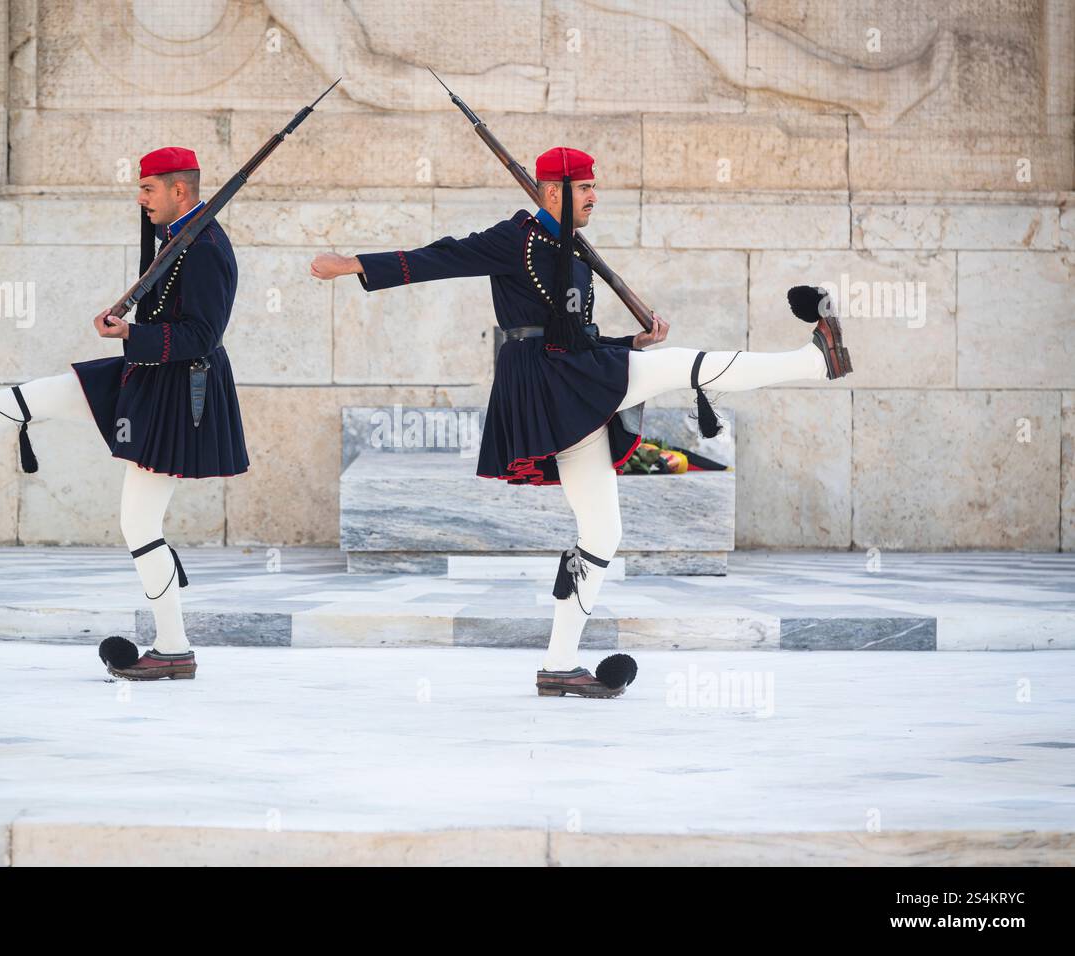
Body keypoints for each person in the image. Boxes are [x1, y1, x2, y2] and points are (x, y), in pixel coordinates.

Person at [310, 146, 851, 698]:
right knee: (676, 366)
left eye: (595, 186)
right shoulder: (516, 237)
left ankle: (559, 666)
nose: (595, 196)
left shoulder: (571, 248)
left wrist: (627, 342)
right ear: (551, 192)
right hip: (547, 381)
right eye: (584, 187)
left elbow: (575, 332)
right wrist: (355, 265)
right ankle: (812, 359)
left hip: (571, 376)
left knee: (602, 531)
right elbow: (442, 256)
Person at [0, 146, 250, 681]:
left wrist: (130, 333)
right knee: (42, 394)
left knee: (140, 523)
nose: (141, 197)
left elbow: (203, 335)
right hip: (148, 373)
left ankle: (174, 648)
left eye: (149, 189)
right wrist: (133, 330)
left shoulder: (208, 247)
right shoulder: (179, 236)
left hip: (178, 394)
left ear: (181, 190)